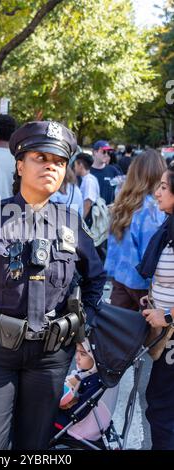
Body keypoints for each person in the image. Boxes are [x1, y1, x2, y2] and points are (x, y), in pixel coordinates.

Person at [0, 120, 106, 450]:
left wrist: (82, 328)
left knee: (36, 447)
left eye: (58, 162)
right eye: (40, 158)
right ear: (19, 164)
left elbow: (96, 279)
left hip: (51, 358)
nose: (50, 167)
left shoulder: (71, 223)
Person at [137, 162, 174, 450]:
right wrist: (154, 299)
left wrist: (168, 314)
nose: (157, 192)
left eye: (163, 186)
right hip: (165, 336)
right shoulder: (168, 228)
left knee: (162, 409)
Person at [104, 150, 166, 310]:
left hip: (120, 278)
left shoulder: (122, 203)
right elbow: (151, 252)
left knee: (119, 330)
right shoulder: (153, 208)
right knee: (153, 334)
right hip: (144, 286)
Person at [90, 140, 122, 206]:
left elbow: (122, 187)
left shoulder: (113, 170)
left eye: (108, 153)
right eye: (104, 152)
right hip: (91, 214)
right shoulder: (87, 171)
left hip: (107, 214)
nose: (106, 155)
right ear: (95, 152)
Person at [74, 152, 100, 220]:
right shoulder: (88, 178)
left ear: (81, 165)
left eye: (75, 165)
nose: (74, 168)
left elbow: (87, 204)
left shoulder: (89, 181)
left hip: (88, 220)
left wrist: (80, 222)